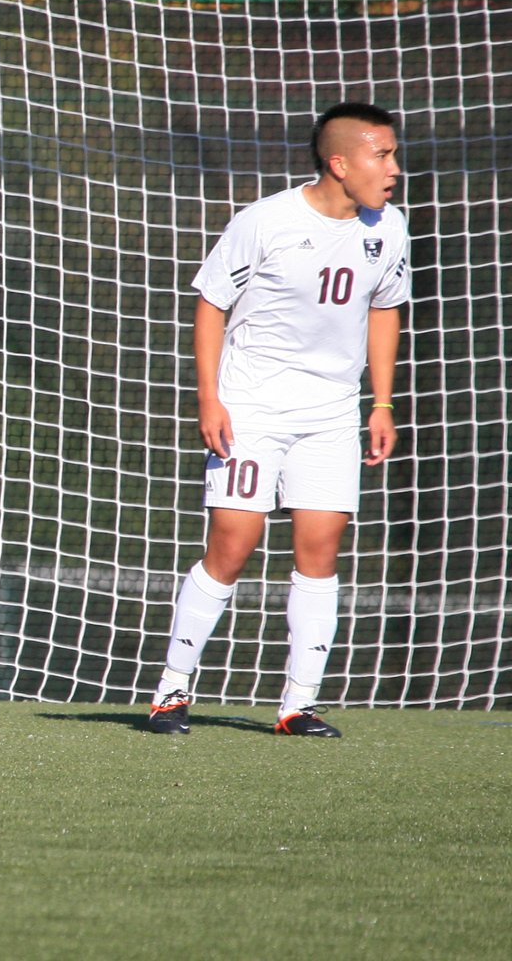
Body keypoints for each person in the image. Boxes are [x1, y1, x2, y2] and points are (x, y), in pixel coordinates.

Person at [148, 102, 409, 737]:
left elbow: (383, 309)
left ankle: (297, 706)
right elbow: (211, 304)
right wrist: (211, 399)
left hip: (330, 414)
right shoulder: (264, 221)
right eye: (383, 155)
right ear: (339, 162)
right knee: (232, 546)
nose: (394, 168)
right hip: (253, 408)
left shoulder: (390, 228)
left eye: (394, 154)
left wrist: (380, 402)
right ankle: (170, 693)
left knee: (320, 553)